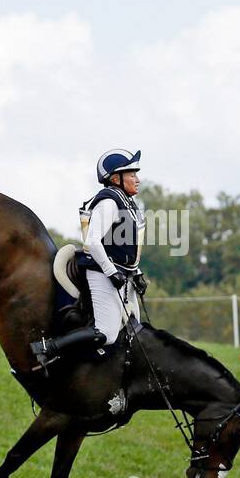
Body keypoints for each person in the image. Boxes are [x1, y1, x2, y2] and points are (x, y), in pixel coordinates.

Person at [31, 148, 145, 365]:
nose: (137, 180)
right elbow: (93, 241)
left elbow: (125, 247)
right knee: (107, 333)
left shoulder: (127, 203)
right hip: (101, 272)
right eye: (132, 174)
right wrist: (111, 272)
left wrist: (137, 273)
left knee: (134, 327)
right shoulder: (109, 203)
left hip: (122, 274)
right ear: (115, 178)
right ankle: (48, 348)